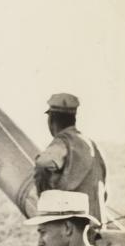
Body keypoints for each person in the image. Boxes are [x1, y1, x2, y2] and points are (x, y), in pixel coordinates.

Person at [34, 94, 108, 224]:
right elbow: (104, 190)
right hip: (97, 224)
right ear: (73, 118)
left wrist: (46, 197)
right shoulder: (93, 145)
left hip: (71, 226)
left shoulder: (63, 142)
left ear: (51, 120)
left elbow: (43, 165)